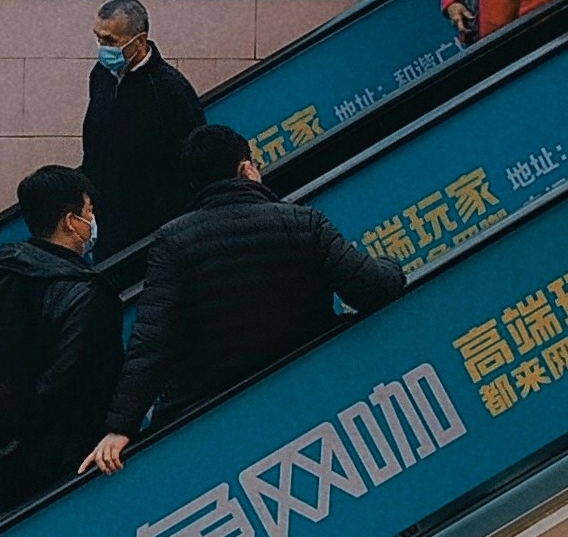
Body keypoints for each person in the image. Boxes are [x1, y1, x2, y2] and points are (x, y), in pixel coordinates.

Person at [82, 122, 406, 469]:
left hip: (218, 416)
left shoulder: (173, 241)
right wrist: (391, 264)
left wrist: (121, 425)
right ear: (245, 168)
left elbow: (152, 340)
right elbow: (371, 288)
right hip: (312, 392)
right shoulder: (302, 222)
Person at [0, 167, 125, 511]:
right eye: (89, 212)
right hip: (72, 463)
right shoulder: (84, 294)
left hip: (8, 460)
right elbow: (78, 379)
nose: (92, 221)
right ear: (70, 221)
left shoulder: (1, 275)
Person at [79, 0, 203, 250]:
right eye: (98, 38)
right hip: (105, 218)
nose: (102, 47)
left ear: (139, 41)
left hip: (150, 230)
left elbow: (188, 167)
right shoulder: (101, 75)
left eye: (110, 41)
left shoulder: (171, 91)